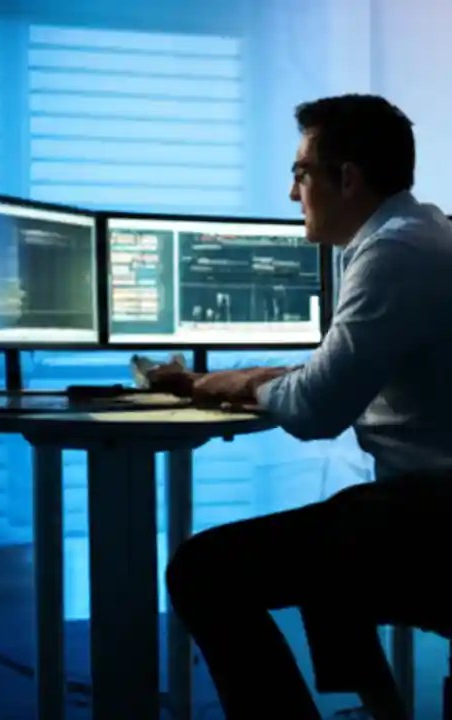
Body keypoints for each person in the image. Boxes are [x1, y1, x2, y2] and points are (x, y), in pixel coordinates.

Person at [150, 94, 452, 719]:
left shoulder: (393, 252)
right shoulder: (420, 232)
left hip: (438, 514)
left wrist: (236, 385)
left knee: (202, 570)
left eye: (301, 173)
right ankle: (379, 710)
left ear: (348, 178)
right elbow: (339, 369)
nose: (293, 193)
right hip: (428, 500)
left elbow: (317, 409)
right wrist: (242, 380)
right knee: (335, 529)